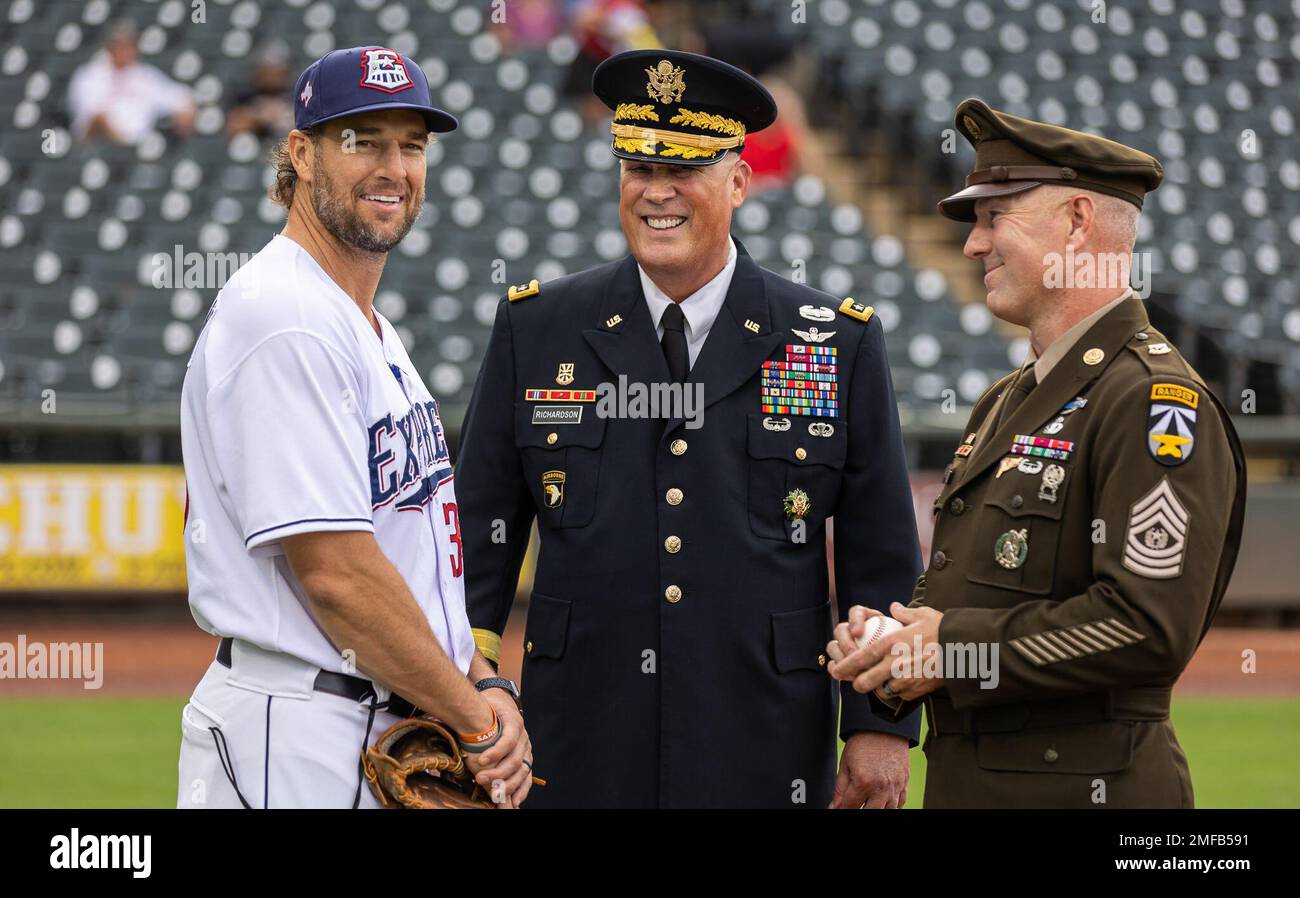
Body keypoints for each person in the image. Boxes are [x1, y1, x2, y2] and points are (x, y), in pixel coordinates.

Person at [456, 49, 921, 809]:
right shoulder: (537, 329)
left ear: (739, 180)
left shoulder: (834, 343)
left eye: (686, 169)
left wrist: (880, 723)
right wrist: (471, 683)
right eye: (637, 167)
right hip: (577, 741)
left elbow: (881, 558)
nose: (656, 192)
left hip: (763, 743)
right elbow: (478, 537)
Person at [826, 99, 1247, 808]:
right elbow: (965, 596)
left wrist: (948, 649)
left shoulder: (1152, 401)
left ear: (1077, 224)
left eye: (996, 218)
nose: (972, 243)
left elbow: (1144, 628)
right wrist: (891, 647)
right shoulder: (1008, 399)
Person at [176, 46, 533, 809]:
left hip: (362, 714)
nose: (393, 167)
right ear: (301, 155)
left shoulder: (359, 320)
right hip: (299, 727)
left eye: (412, 145)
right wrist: (478, 727)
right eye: (362, 140)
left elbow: (412, 560)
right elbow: (336, 572)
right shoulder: (285, 316)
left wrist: (484, 680)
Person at [67, 19, 196, 145]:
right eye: (122, 45)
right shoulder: (89, 75)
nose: (127, 51)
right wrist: (121, 143)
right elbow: (93, 120)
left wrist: (183, 112)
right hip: (102, 147)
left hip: (141, 149)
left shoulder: (144, 75)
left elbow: (182, 97)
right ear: (111, 46)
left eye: (131, 45)